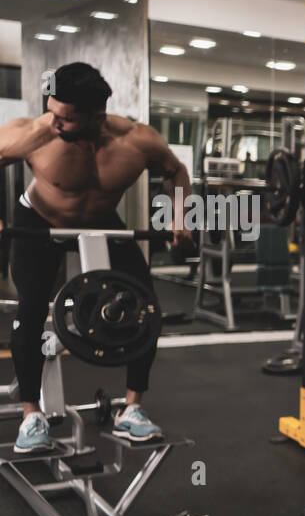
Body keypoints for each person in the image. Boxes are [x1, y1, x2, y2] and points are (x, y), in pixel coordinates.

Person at [0, 62, 190, 452]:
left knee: (144, 306)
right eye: (51, 111)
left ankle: (132, 410)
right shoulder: (34, 133)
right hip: (39, 220)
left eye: (65, 119)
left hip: (101, 222)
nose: (54, 123)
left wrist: (180, 217)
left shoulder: (138, 141)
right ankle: (31, 416)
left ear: (97, 115)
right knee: (32, 309)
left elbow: (176, 171)